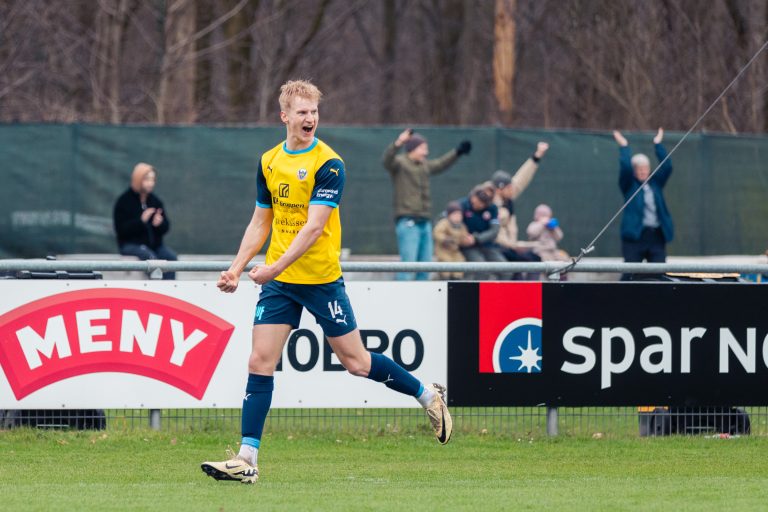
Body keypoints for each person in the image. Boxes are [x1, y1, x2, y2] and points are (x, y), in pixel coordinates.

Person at [201, 80, 452, 485]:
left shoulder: (329, 163)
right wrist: (237, 266)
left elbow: (314, 228)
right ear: (284, 116)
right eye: (302, 112)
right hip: (281, 283)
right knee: (259, 361)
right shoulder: (269, 161)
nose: (310, 118)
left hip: (319, 280)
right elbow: (261, 220)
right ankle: (248, 458)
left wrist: (270, 268)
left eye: (314, 112)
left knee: (357, 363)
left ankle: (427, 395)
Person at [382, 129, 471, 280]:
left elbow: (441, 164)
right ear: (412, 148)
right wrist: (399, 142)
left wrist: (457, 152)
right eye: (423, 148)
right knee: (408, 266)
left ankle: (420, 300)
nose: (426, 152)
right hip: (408, 222)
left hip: (424, 221)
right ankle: (401, 299)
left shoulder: (424, 166)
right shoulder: (400, 163)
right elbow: (386, 161)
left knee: (426, 266)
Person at [613, 128, 673, 280]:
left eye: (645, 168)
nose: (643, 171)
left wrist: (658, 144)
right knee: (630, 275)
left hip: (656, 236)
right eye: (639, 169)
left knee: (659, 275)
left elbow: (667, 166)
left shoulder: (656, 184)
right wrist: (624, 146)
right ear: (634, 171)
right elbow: (625, 167)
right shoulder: (628, 185)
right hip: (634, 237)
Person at [112, 162, 177, 279]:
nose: (150, 183)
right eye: (147, 179)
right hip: (131, 245)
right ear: (138, 180)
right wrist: (141, 221)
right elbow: (121, 230)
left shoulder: (155, 201)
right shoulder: (124, 201)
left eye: (152, 180)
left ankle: (168, 290)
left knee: (171, 258)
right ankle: (156, 292)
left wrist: (160, 223)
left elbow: (166, 227)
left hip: (154, 245)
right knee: (151, 259)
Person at [491, 142, 549, 264]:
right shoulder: (491, 206)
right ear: (499, 189)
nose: (512, 189)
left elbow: (522, 178)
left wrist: (536, 156)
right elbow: (495, 232)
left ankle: (529, 284)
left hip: (510, 245)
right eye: (508, 187)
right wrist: (511, 245)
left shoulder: (508, 196)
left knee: (535, 259)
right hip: (498, 247)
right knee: (518, 264)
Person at [458, 184, 511, 280]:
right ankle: (475, 294)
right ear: (473, 197)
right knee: (482, 270)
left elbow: (494, 230)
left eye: (484, 203)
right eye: (479, 201)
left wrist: (477, 238)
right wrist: (463, 238)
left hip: (487, 245)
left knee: (506, 270)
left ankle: (501, 294)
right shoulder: (462, 205)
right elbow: (448, 223)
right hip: (468, 247)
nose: (481, 205)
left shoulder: (492, 208)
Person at [432, 200, 473, 280]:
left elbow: (463, 237)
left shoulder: (461, 226)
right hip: (443, 251)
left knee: (460, 262)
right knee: (446, 264)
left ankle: (457, 279)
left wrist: (467, 241)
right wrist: (446, 239)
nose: (457, 217)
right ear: (449, 215)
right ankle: (445, 279)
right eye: (455, 214)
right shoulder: (444, 223)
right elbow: (437, 233)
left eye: (459, 215)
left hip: (454, 251)